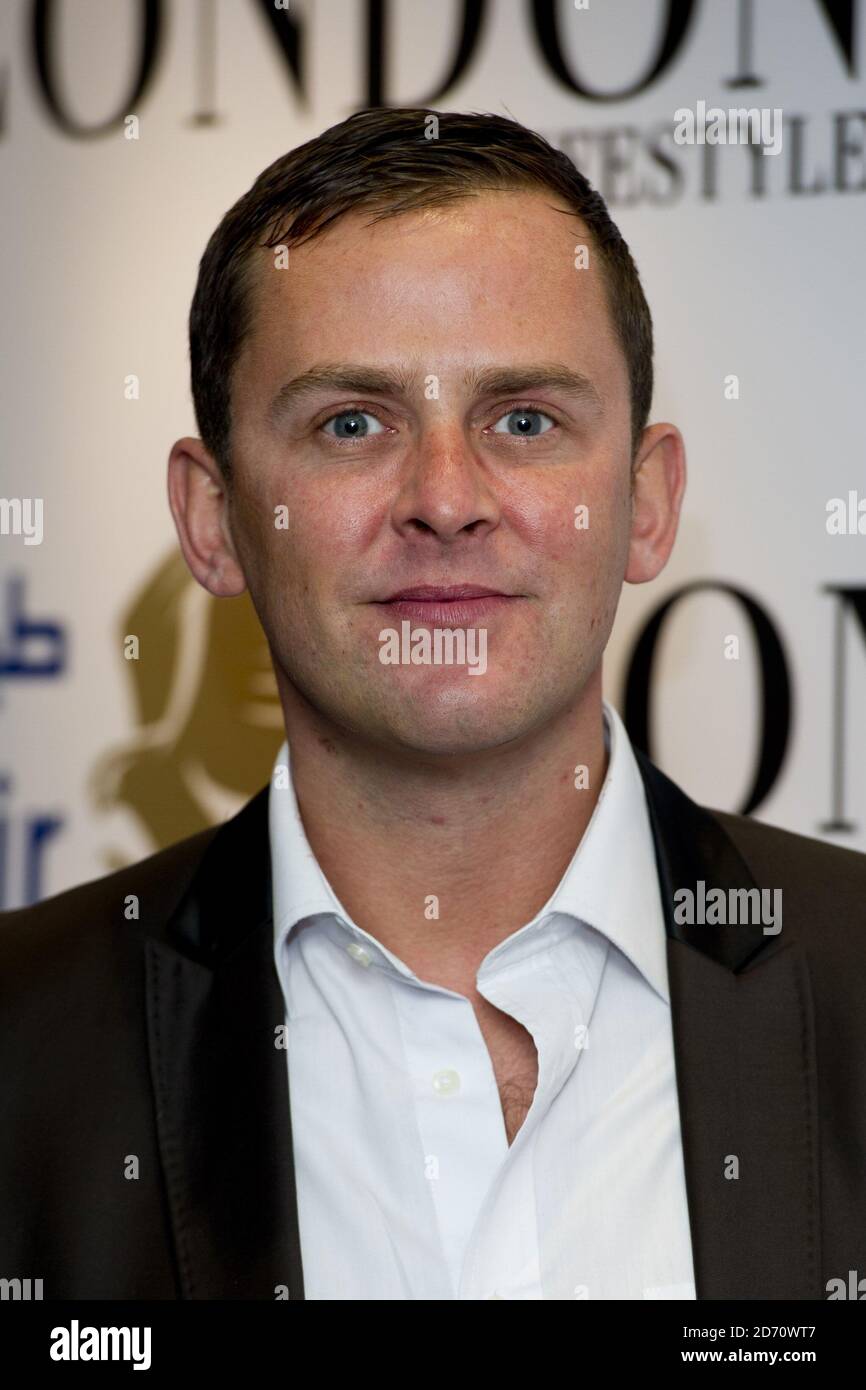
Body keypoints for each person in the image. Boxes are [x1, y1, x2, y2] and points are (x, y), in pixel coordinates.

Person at [1, 107, 864, 1302]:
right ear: (213, 520)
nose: (446, 498)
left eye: (523, 419)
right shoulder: (22, 1046)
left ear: (647, 501)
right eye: (351, 423)